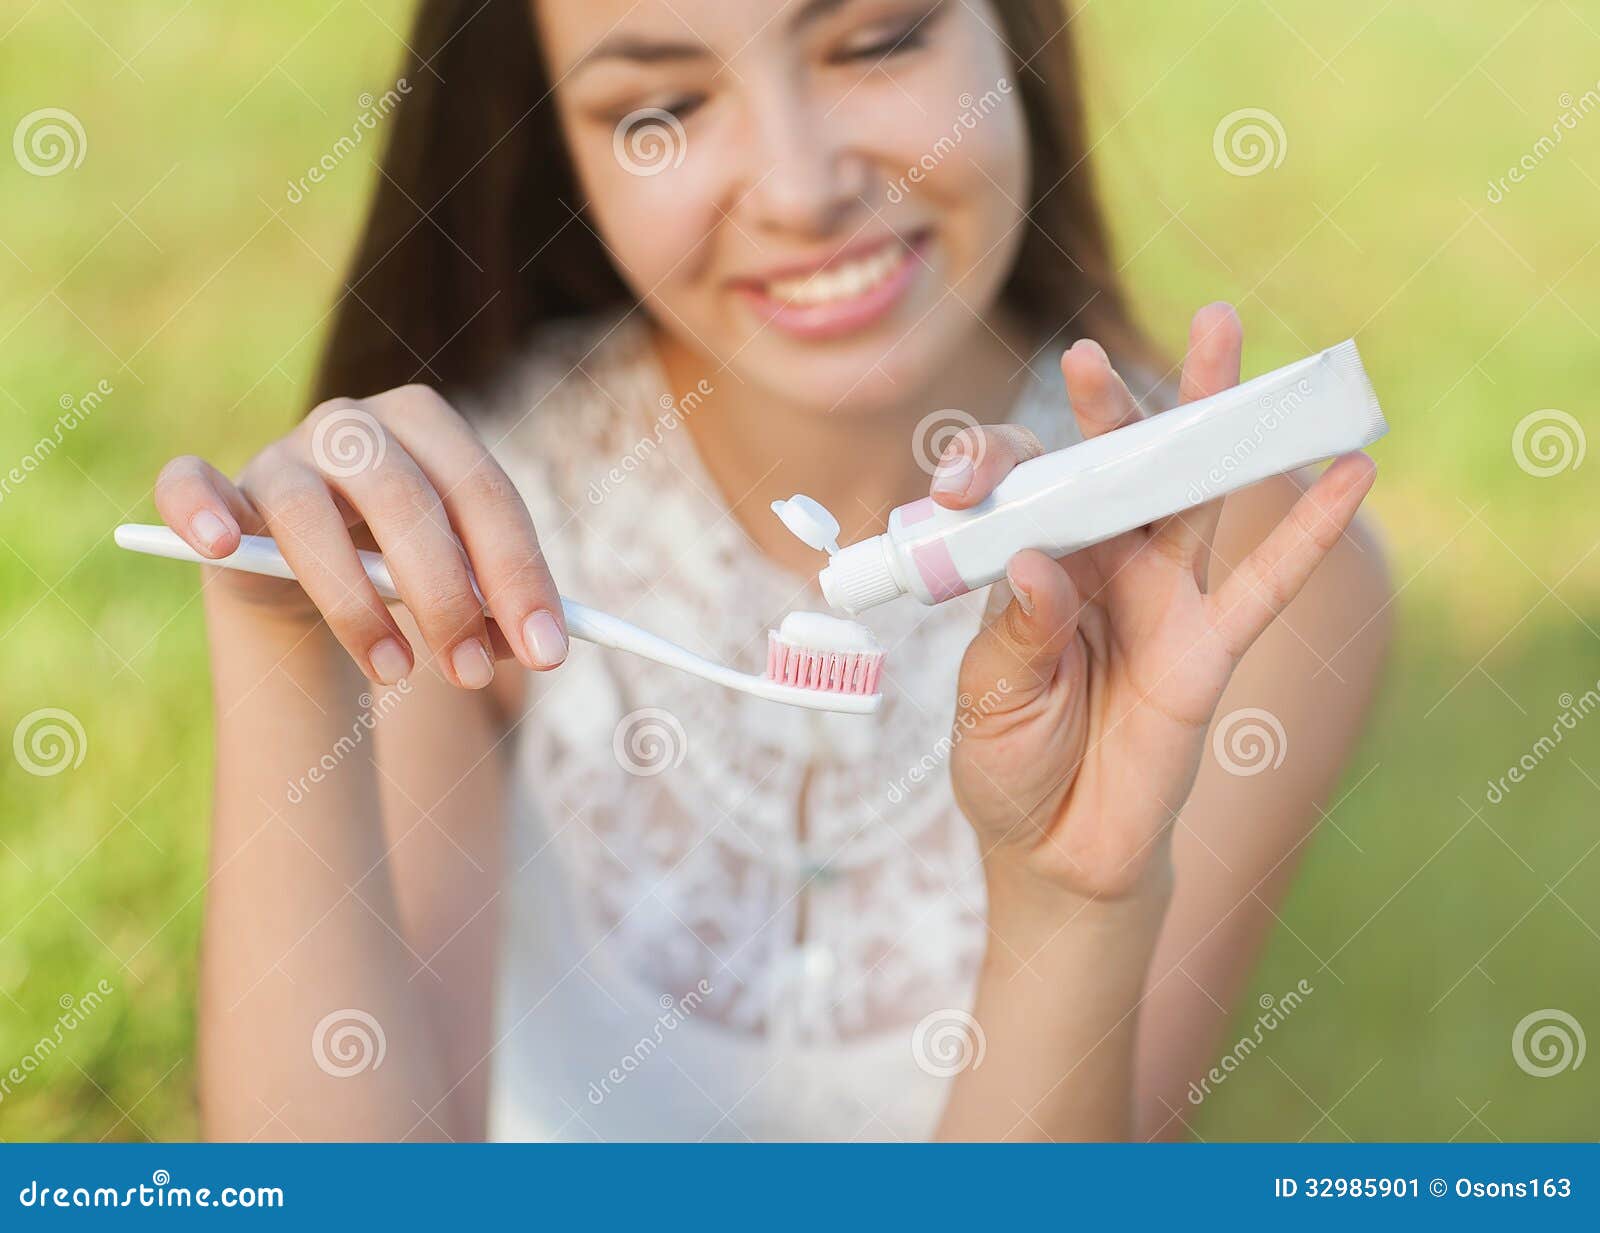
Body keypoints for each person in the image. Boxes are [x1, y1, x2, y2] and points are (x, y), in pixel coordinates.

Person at [152, 0, 1390, 1141]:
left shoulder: (1236, 578)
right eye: (661, 110)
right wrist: (285, 653)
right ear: (556, 146)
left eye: (875, 38)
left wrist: (1076, 902)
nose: (801, 190)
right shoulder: (466, 528)